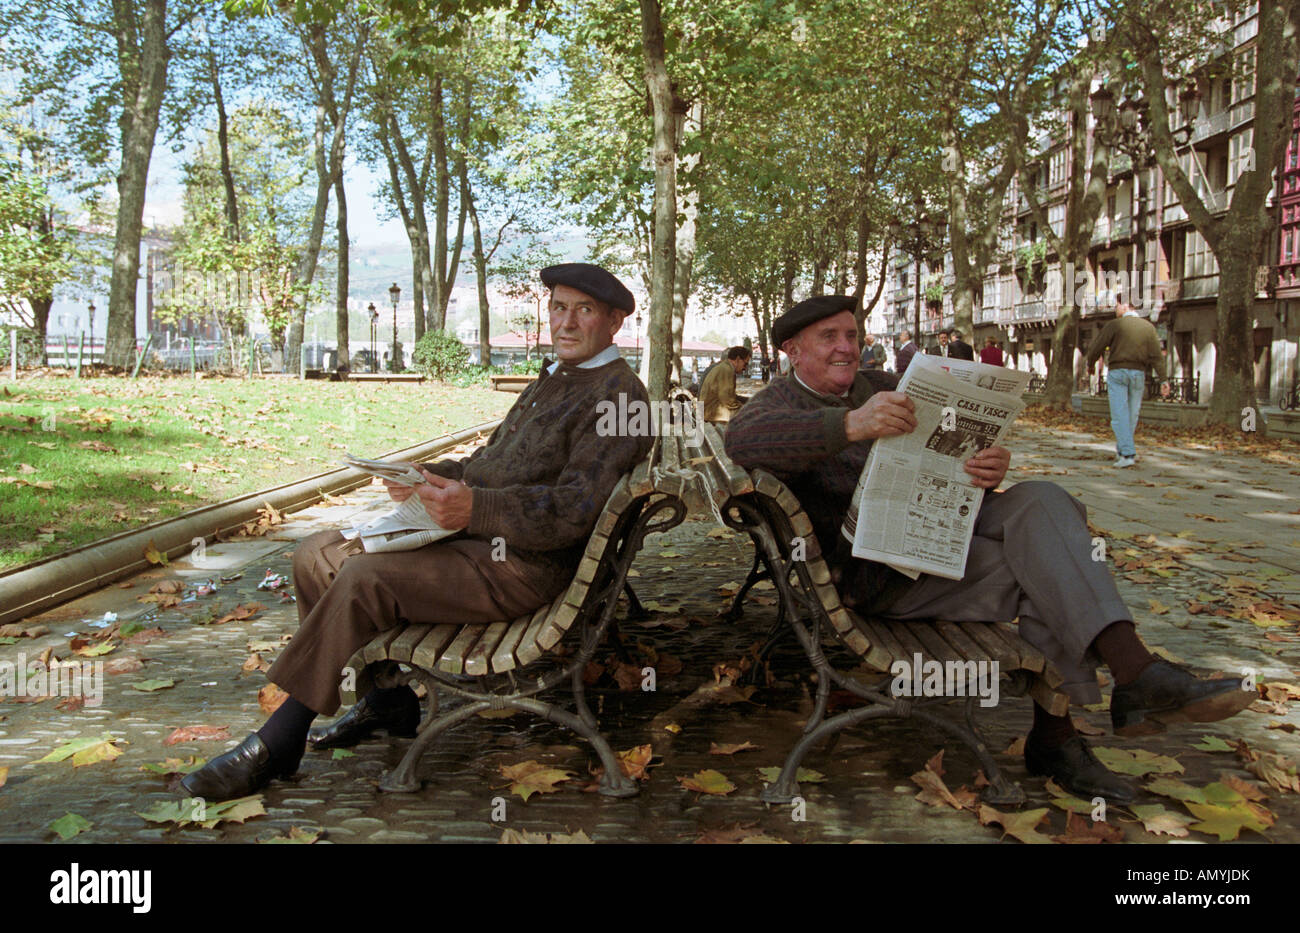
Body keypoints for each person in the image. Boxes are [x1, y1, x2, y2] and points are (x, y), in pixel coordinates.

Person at [724, 294, 1253, 803]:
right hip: (879, 573)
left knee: (1045, 501)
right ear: (792, 350)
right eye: (828, 337)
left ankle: (1130, 678)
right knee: (1047, 568)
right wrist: (850, 424)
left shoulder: (886, 383)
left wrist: (986, 465)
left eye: (852, 335)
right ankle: (1065, 731)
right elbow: (741, 443)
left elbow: (951, 450)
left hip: (947, 531)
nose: (846, 347)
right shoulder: (775, 404)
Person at [180, 263, 653, 800]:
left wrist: (477, 511)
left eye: (584, 310)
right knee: (315, 553)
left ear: (615, 322)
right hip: (478, 544)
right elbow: (491, 461)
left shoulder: (619, 397)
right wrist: (432, 480)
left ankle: (281, 737)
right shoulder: (559, 377)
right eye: (558, 307)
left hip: (524, 567)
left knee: (363, 579)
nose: (565, 322)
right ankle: (387, 702)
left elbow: (575, 509)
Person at [1085, 300, 1164, 468]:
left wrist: (1090, 364)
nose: (1115, 309)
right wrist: (1164, 379)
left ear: (1126, 305)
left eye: (1117, 305)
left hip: (1117, 372)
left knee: (1119, 414)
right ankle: (1122, 450)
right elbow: (1157, 355)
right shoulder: (1148, 327)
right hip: (1138, 373)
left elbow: (1097, 347)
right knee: (1132, 414)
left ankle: (1127, 454)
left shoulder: (1114, 325)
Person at [700, 346, 751, 424]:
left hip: (709, 410)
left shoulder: (725, 367)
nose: (745, 368)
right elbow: (729, 401)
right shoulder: (726, 370)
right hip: (711, 412)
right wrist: (745, 407)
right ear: (737, 359)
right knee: (752, 415)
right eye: (745, 364)